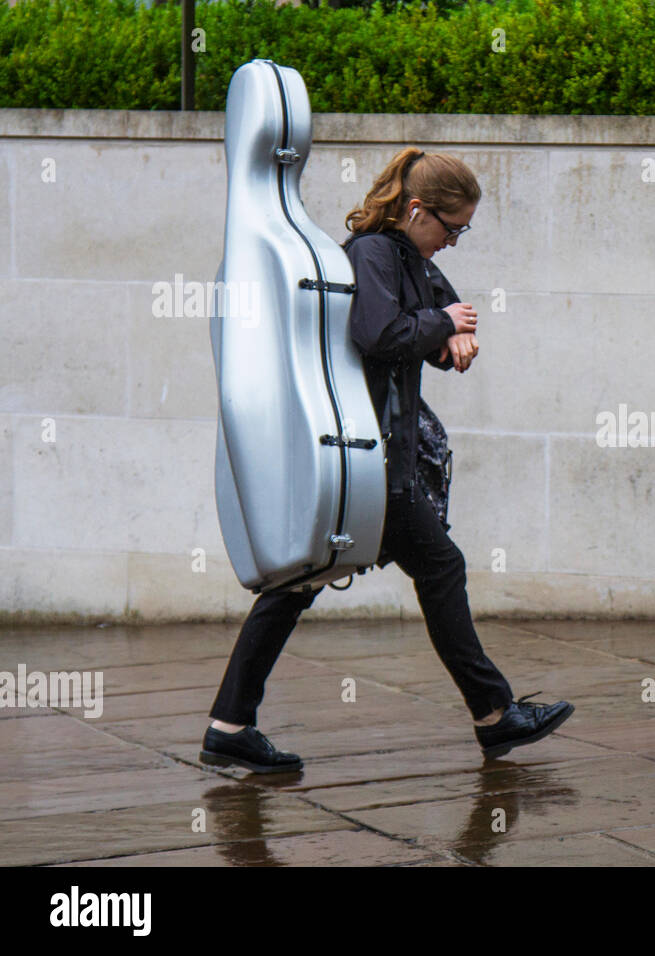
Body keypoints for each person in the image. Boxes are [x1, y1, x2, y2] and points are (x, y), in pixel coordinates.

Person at [200, 148, 573, 773]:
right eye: (451, 229)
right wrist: (440, 323)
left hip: (371, 454)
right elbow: (379, 334)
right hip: (369, 458)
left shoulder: (409, 259)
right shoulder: (373, 253)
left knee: (301, 585)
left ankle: (230, 726)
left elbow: (443, 312)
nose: (453, 242)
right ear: (417, 209)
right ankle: (493, 715)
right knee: (430, 569)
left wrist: (452, 329)